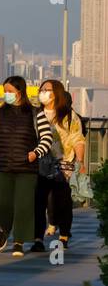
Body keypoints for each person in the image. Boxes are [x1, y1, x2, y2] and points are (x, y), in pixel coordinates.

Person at [0, 76, 54, 257]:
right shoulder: (0, 113)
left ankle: (18, 242)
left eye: (10, 92)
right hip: (2, 166)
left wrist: (35, 153)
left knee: (23, 206)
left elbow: (47, 138)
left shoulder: (35, 113)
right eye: (4, 91)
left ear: (20, 92)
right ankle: (4, 228)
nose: (6, 95)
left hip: (26, 168)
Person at [36, 79, 86, 247]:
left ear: (56, 92)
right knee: (39, 202)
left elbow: (78, 139)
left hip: (64, 166)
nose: (43, 92)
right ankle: (38, 239)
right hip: (40, 165)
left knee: (63, 201)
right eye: (41, 89)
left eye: (47, 89)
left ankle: (64, 235)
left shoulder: (69, 115)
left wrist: (80, 161)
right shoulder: (36, 114)